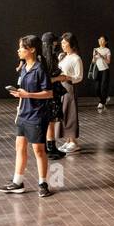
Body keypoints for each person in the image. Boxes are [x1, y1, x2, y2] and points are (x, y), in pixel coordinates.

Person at [0, 35, 53, 197]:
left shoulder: (40, 69)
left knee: (38, 150)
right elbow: (25, 92)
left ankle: (43, 183)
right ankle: (17, 182)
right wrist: (20, 97)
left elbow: (49, 93)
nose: (18, 50)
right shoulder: (23, 68)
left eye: (22, 47)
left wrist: (28, 95)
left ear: (32, 50)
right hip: (23, 114)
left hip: (37, 115)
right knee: (20, 147)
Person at [55, 32, 84, 152]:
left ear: (71, 44)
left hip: (69, 87)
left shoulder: (76, 58)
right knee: (63, 113)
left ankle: (73, 141)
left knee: (70, 113)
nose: (62, 44)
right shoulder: (64, 56)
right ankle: (68, 140)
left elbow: (79, 76)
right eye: (61, 42)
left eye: (64, 43)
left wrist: (67, 77)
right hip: (60, 87)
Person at [39, 31, 66, 160]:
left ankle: (51, 147)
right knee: (49, 121)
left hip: (52, 92)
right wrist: (59, 78)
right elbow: (46, 80)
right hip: (48, 93)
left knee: (52, 121)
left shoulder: (49, 57)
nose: (57, 44)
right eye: (55, 42)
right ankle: (48, 148)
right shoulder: (43, 59)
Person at [91, 36, 112, 111]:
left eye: (102, 40)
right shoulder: (95, 49)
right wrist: (94, 57)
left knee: (103, 87)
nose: (100, 41)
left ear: (106, 42)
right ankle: (105, 98)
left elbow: (108, 62)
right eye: (99, 39)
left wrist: (101, 56)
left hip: (105, 70)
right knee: (97, 88)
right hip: (97, 70)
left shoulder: (107, 50)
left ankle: (102, 102)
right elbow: (93, 62)